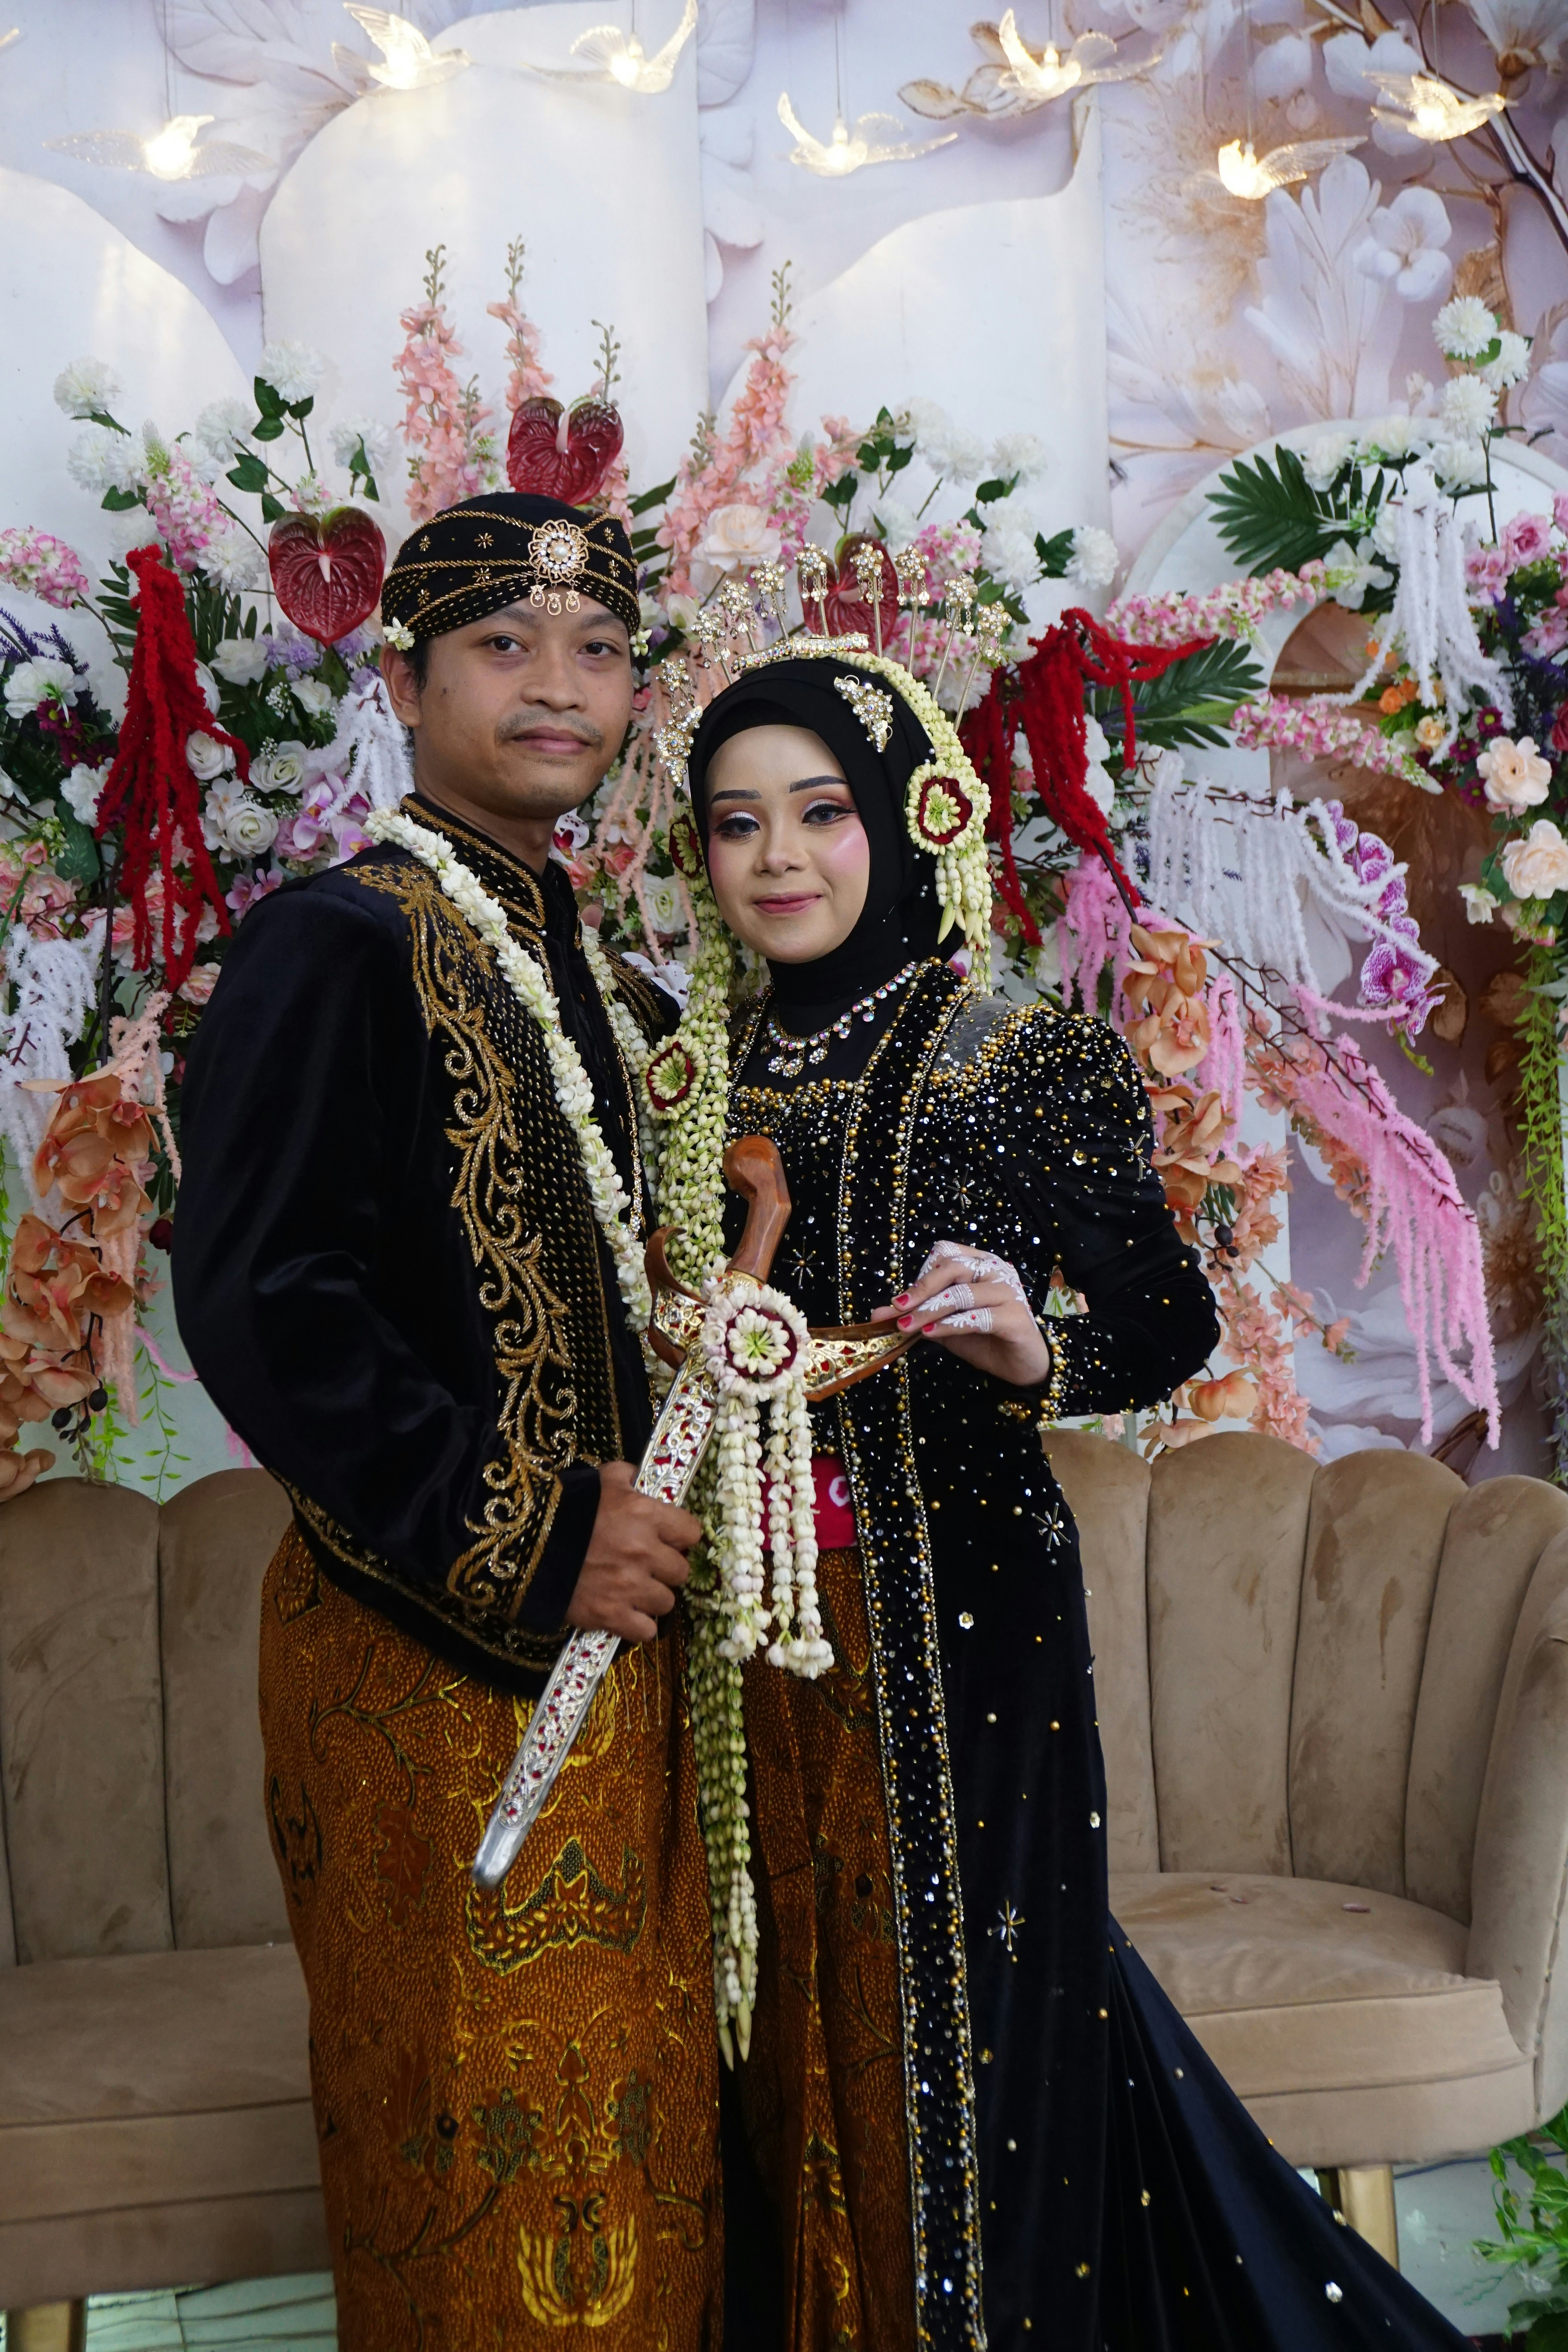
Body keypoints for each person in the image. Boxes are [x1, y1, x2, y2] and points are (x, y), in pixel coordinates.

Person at [657, 644, 1469, 2350]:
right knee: (779, 1996)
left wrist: (1033, 1349)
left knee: (973, 2009)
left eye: (820, 813)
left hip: (963, 1616)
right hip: (734, 1622)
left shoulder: (1011, 1048)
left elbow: (1165, 1322)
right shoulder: (687, 1078)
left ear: (906, 814)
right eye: (736, 825)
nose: (780, 859)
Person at [173, 492, 744, 2347]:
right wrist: (522, 1528)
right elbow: (263, 1299)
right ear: (408, 684)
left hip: (609, 1644)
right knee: (486, 2172)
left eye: (596, 652)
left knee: (631, 2154)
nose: (559, 689)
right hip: (429, 1653)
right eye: (505, 648)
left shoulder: (577, 952)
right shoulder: (337, 940)